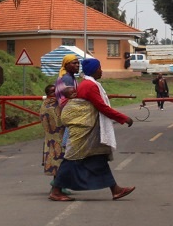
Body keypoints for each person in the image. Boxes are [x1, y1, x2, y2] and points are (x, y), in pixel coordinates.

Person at [50, 58, 135, 202]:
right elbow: (102, 107)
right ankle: (56, 191)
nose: (101, 71)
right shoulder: (89, 86)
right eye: (100, 68)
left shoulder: (88, 84)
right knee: (71, 159)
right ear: (94, 70)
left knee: (98, 158)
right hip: (83, 130)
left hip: (89, 129)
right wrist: (123, 118)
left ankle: (115, 190)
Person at [40, 84, 65, 194]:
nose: (54, 94)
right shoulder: (52, 106)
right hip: (56, 137)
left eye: (56, 91)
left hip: (51, 138)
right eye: (52, 92)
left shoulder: (46, 104)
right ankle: (57, 186)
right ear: (47, 94)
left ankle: (59, 185)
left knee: (57, 163)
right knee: (58, 163)